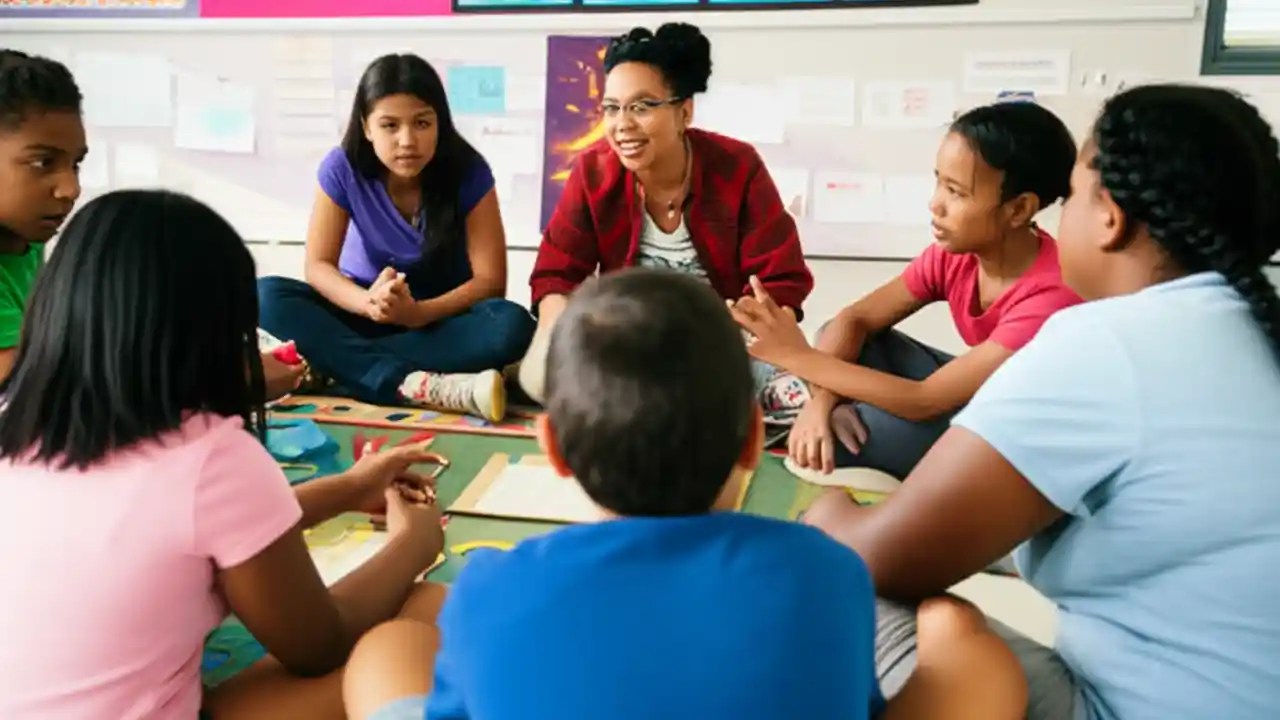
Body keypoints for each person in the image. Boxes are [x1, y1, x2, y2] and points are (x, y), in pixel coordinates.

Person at [340, 269, 1027, 720]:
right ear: (756, 440)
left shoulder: (492, 583)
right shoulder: (823, 572)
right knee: (965, 640)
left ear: (552, 449)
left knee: (387, 647)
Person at [802, 84, 1280, 720]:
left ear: (1109, 217)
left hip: (1123, 704)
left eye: (1075, 197)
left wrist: (823, 511)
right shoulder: (1247, 328)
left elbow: (878, 560)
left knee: (818, 576)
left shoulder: (1101, 339)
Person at [0, 190, 448, 719]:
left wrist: (350, 488)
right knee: (424, 619)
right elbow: (319, 644)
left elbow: (180, 535)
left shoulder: (19, 420)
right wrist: (413, 544)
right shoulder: (210, 456)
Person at [732, 101, 1081, 480]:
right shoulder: (955, 256)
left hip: (1017, 442)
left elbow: (925, 401)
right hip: (975, 401)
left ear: (1018, 209)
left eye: (956, 192)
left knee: (843, 440)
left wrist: (796, 357)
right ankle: (813, 409)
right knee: (842, 337)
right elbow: (857, 319)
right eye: (938, 182)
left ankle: (811, 415)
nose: (935, 204)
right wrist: (822, 404)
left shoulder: (1051, 296)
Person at [517, 23, 814, 412]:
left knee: (796, 396)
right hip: (628, 336)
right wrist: (553, 339)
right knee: (541, 376)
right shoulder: (593, 172)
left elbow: (780, 284)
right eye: (612, 108)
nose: (622, 124)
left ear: (684, 112)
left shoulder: (737, 167)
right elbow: (557, 274)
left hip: (721, 338)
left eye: (641, 107)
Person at [258, 54, 534, 422]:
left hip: (438, 321)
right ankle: (405, 380)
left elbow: (489, 282)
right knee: (265, 296)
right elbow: (319, 265)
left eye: (422, 123)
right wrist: (369, 303)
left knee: (510, 326)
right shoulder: (342, 168)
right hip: (360, 312)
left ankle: (341, 369)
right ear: (367, 127)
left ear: (440, 123)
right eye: (389, 125)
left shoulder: (468, 171)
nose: (407, 141)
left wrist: (418, 314)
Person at [0, 49, 83, 383]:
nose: (70, 188)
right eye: (42, 163)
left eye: (76, 163)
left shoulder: (26, 240)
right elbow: (25, 383)